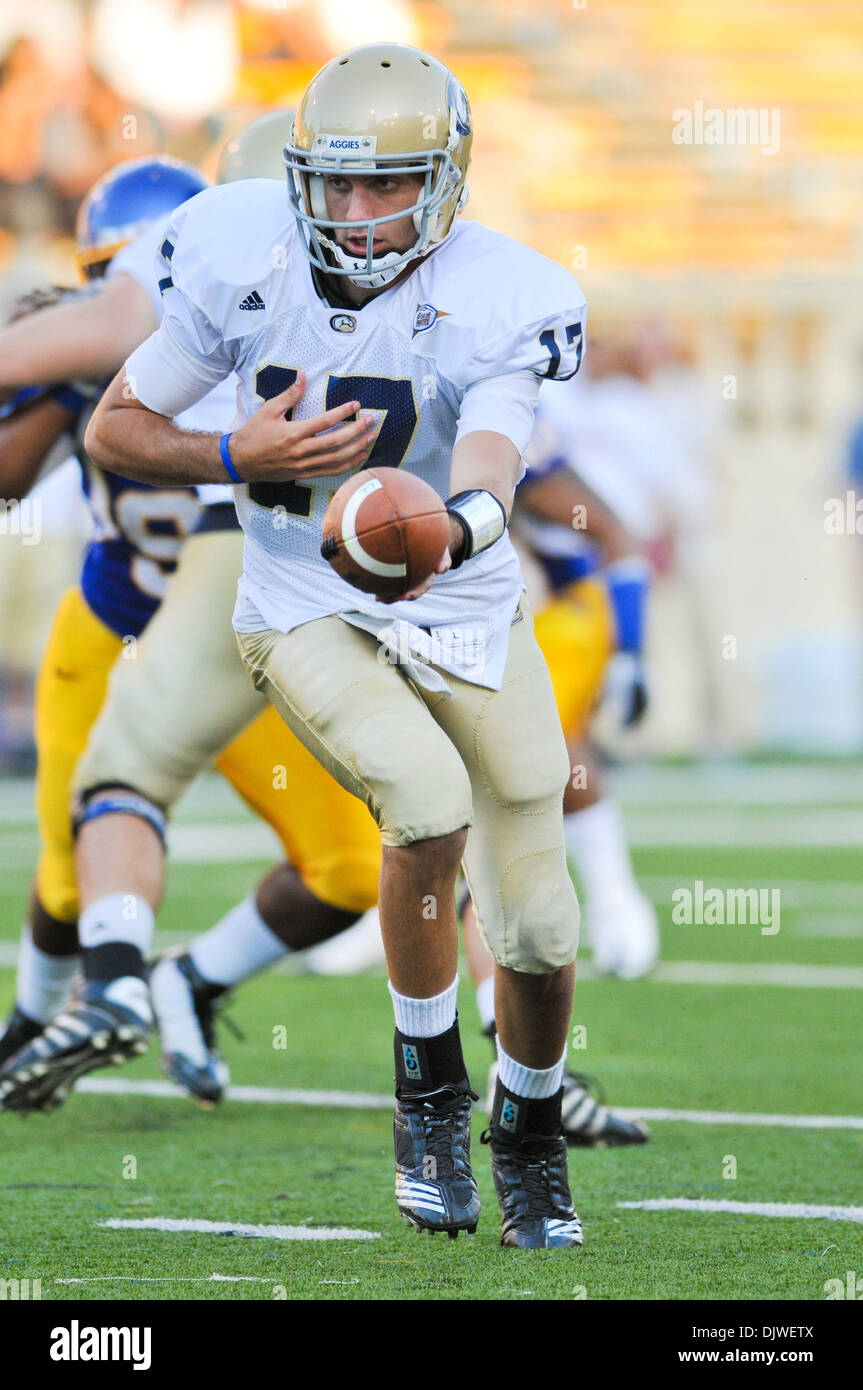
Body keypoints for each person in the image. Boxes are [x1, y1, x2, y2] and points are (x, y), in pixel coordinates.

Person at [81, 44, 589, 1249]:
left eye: (388, 186)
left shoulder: (506, 290)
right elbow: (118, 421)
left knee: (542, 924)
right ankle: (427, 1095)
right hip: (301, 600)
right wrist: (231, 456)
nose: (355, 216)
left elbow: (494, 452)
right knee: (418, 800)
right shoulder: (238, 246)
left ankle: (525, 1132)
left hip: (463, 602)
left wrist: (456, 522)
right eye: (336, 184)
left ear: (448, 179)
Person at [0, 137, 381, 1106]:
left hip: (240, 630)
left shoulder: (267, 332)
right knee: (69, 871)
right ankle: (33, 1028)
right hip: (119, 625)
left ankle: (190, 979)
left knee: (345, 872)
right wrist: (43, 370)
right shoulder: (97, 357)